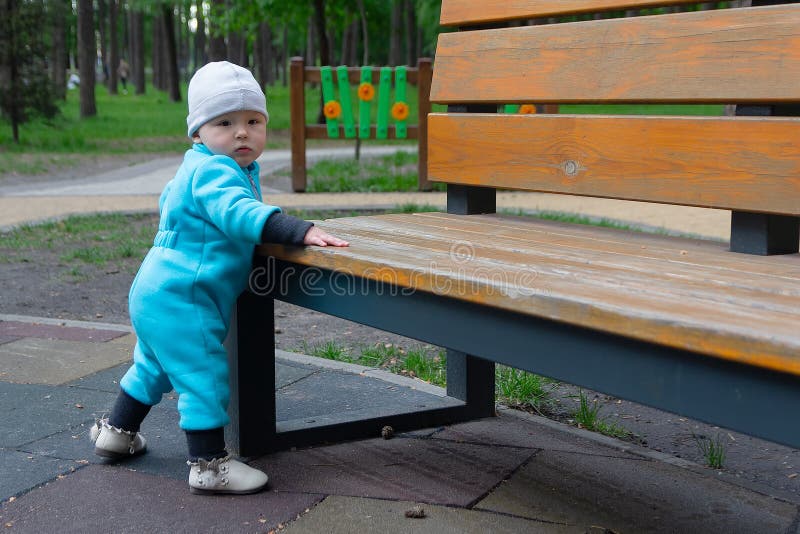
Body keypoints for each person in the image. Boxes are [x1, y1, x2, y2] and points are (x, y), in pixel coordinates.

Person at [89, 61, 349, 495]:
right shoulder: (215, 170)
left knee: (154, 365)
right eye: (225, 122)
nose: (242, 132)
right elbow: (237, 211)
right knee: (204, 370)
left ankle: (117, 431)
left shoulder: (196, 166)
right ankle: (209, 464)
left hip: (156, 289)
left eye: (253, 121)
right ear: (198, 132)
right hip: (183, 294)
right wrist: (295, 229)